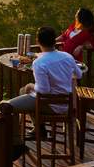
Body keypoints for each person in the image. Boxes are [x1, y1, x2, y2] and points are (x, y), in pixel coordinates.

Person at [6, 26, 81, 154]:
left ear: (38, 42)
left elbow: (44, 90)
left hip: (50, 105)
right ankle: (39, 129)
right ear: (54, 41)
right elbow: (78, 74)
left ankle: (16, 144)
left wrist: (31, 86)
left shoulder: (40, 62)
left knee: (7, 106)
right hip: (66, 105)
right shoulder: (67, 57)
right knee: (23, 91)